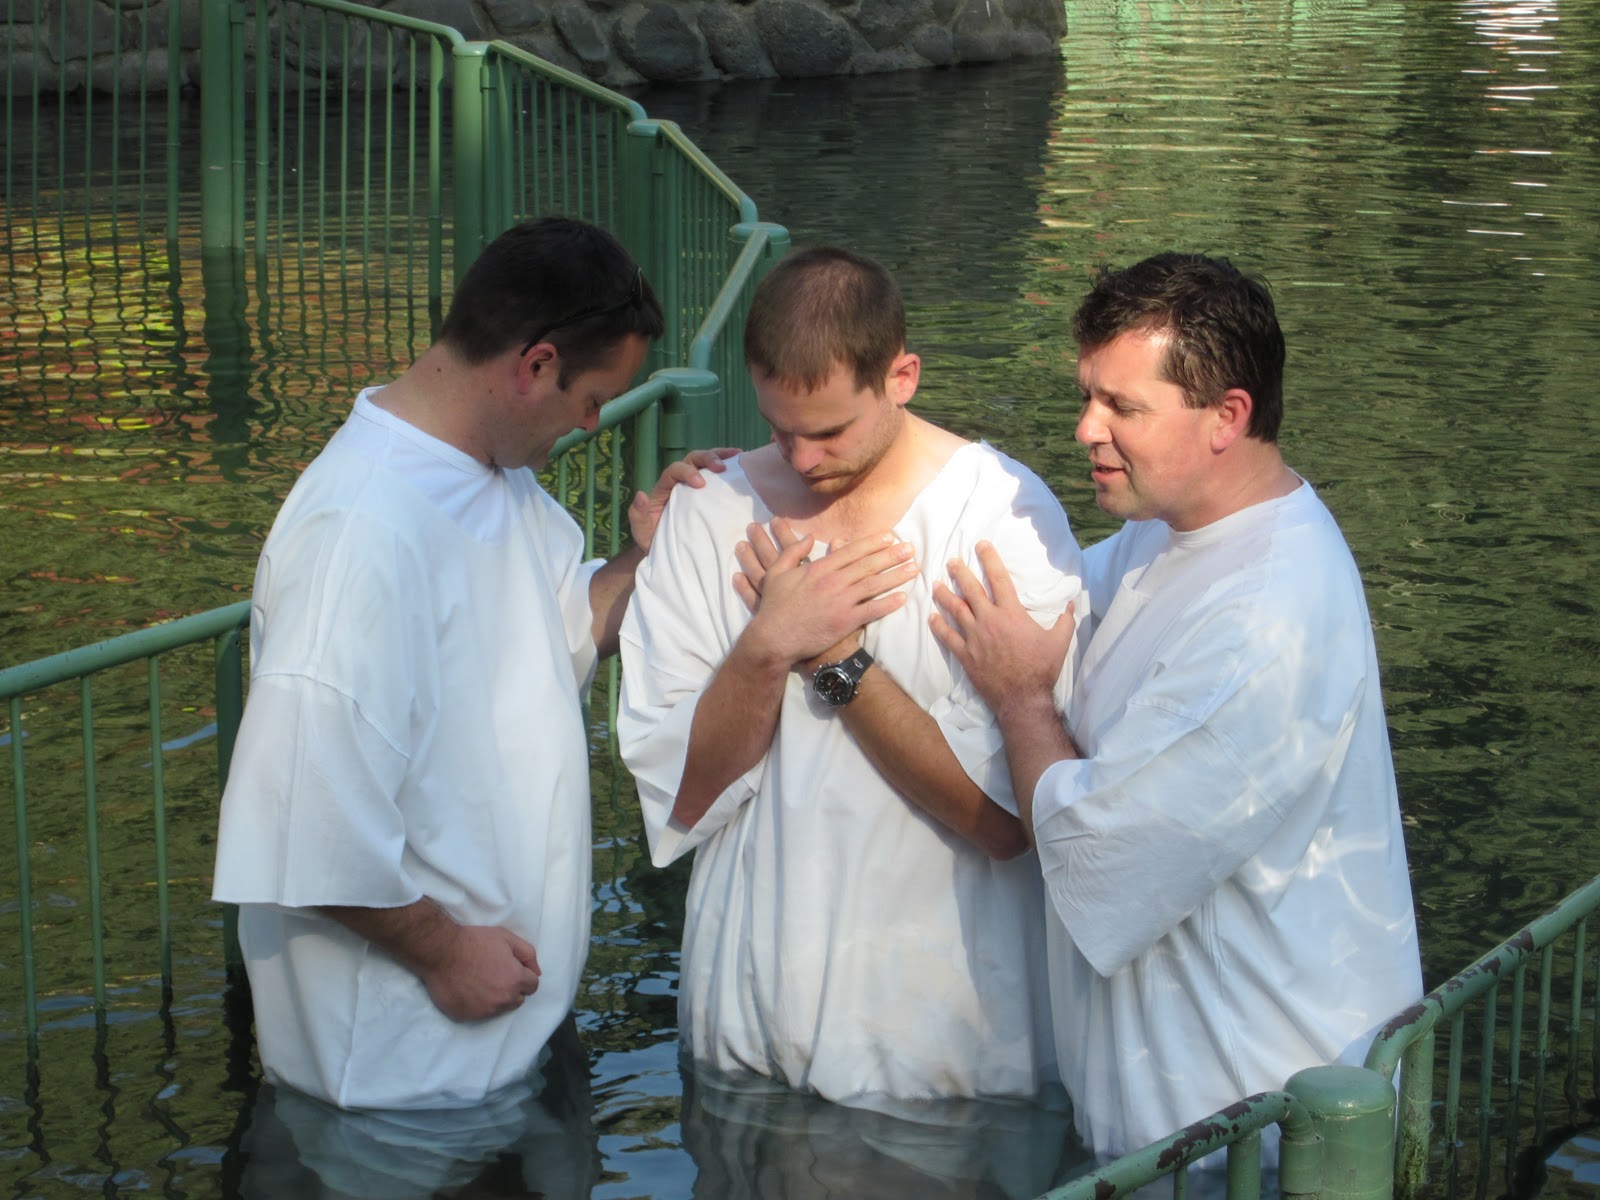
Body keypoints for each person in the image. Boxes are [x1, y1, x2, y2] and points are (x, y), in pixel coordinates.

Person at [212, 216, 731, 1111]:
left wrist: (649, 561)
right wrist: (445, 951)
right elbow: (300, 811)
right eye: (592, 397)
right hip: (395, 1075)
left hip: (498, 1036)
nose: (593, 423)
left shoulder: (491, 473)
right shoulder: (359, 533)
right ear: (535, 364)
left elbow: (550, 634)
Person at [930, 252, 1423, 1160]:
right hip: (1167, 1129)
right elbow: (1043, 615)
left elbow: (1097, 864)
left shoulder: (1266, 616)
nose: (1086, 428)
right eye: (1087, 396)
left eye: (1123, 407)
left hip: (1257, 1138)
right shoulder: (1165, 534)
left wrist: (1021, 700)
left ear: (1227, 416)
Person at [615, 246, 1088, 1108]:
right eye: (779, 428)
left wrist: (834, 659)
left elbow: (1006, 824)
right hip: (750, 1025)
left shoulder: (1001, 517)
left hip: (948, 1043)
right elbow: (679, 793)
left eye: (830, 432)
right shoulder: (709, 512)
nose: (801, 459)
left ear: (901, 377)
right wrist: (766, 648)